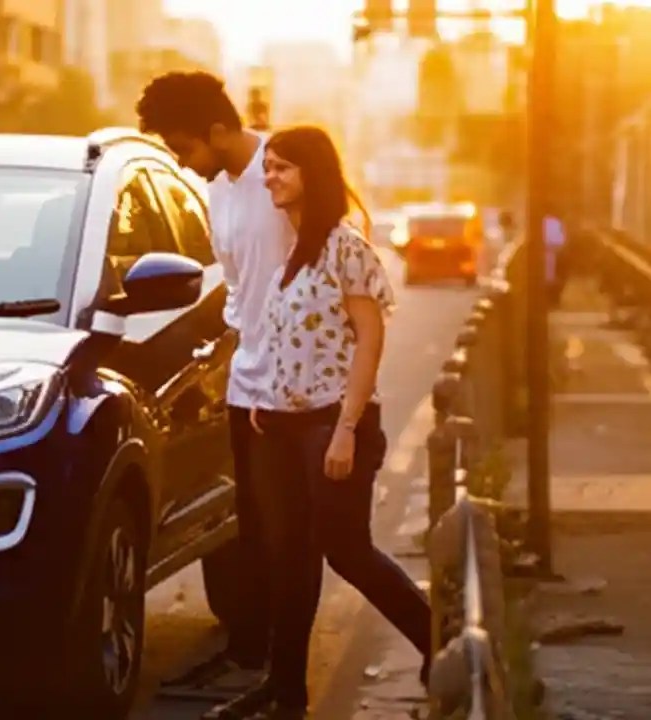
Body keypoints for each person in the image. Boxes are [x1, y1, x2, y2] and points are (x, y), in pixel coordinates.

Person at [207, 126, 433, 720]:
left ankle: (438, 641)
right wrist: (267, 398)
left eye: (282, 168)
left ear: (313, 172)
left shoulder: (344, 245)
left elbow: (368, 341)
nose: (270, 177)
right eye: (269, 167)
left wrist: (347, 428)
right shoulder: (296, 248)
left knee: (347, 550)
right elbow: (290, 335)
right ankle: (285, 693)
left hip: (333, 424)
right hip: (280, 424)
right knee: (288, 560)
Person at [135, 71, 294, 672]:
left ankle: (285, 665)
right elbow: (233, 281)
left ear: (219, 129)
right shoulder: (218, 188)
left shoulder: (284, 171)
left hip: (298, 386)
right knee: (250, 524)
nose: (184, 163)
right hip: (245, 376)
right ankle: (254, 653)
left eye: (184, 148)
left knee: (305, 533)